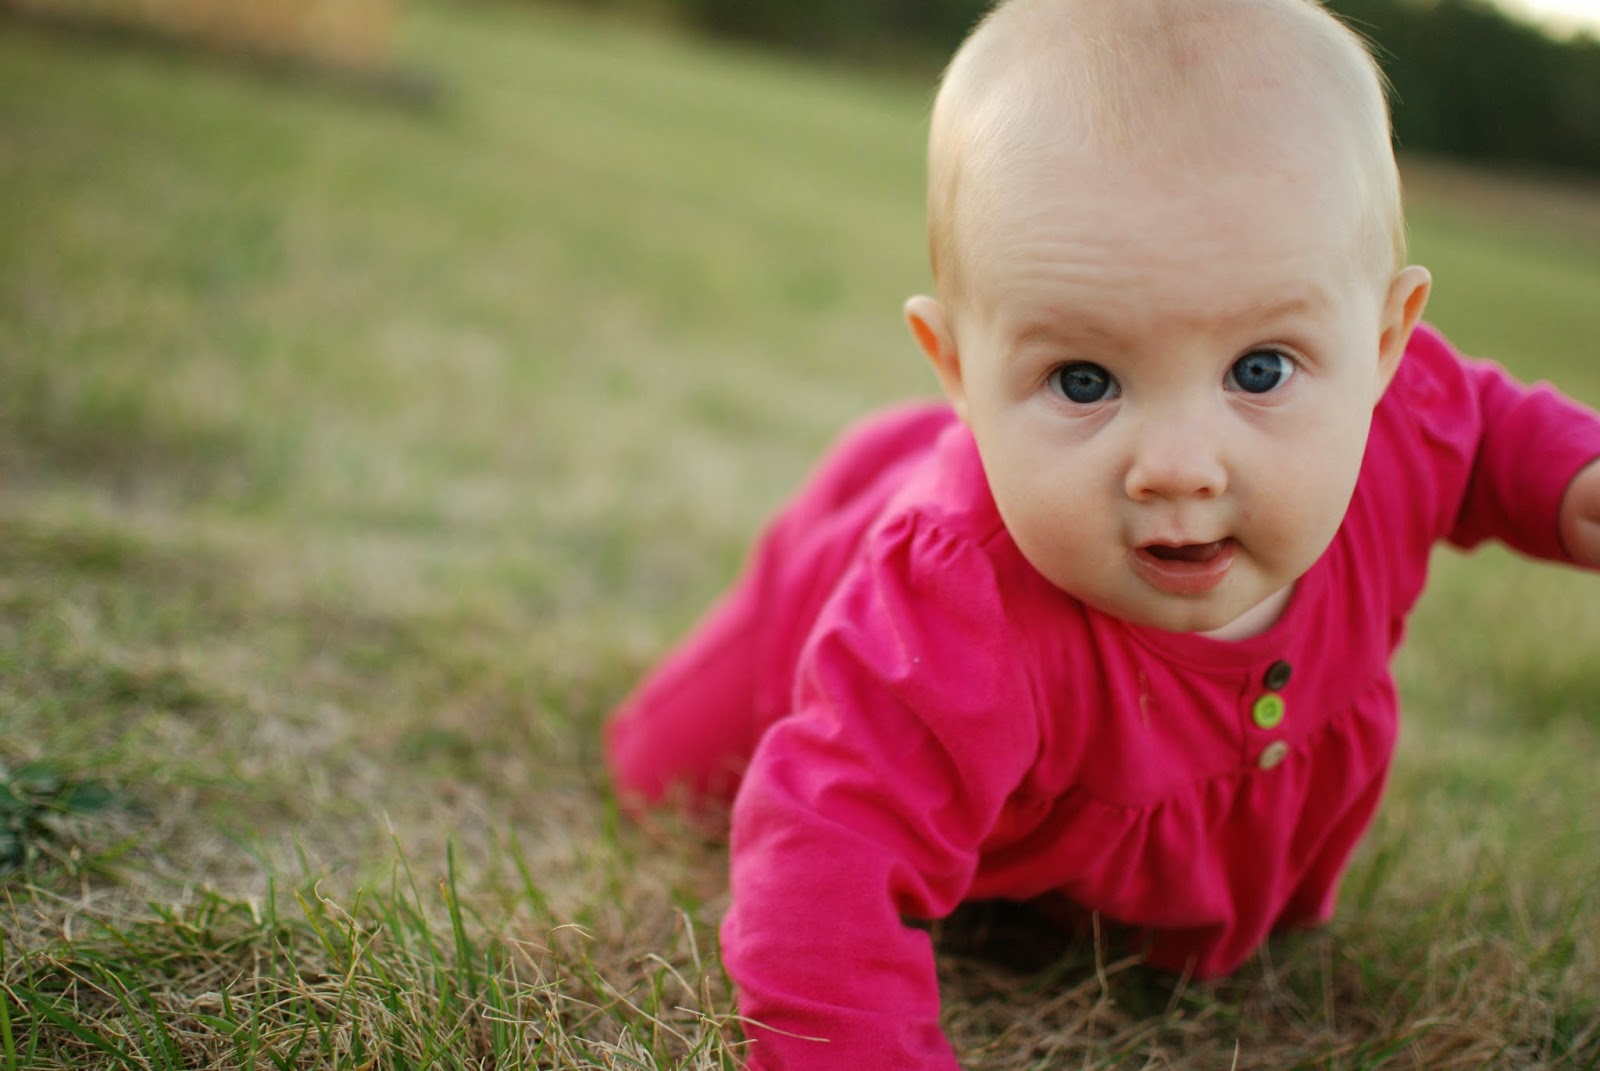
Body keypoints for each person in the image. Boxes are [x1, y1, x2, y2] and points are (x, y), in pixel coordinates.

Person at [604, 0, 1600, 1066]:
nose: (1177, 464)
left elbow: (1491, 429)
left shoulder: (1399, 428)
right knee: (660, 775)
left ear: (1384, 344)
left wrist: (1572, 480)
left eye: (1258, 371)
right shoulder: (952, 610)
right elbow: (826, 847)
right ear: (957, 373)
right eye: (1083, 379)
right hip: (840, 594)